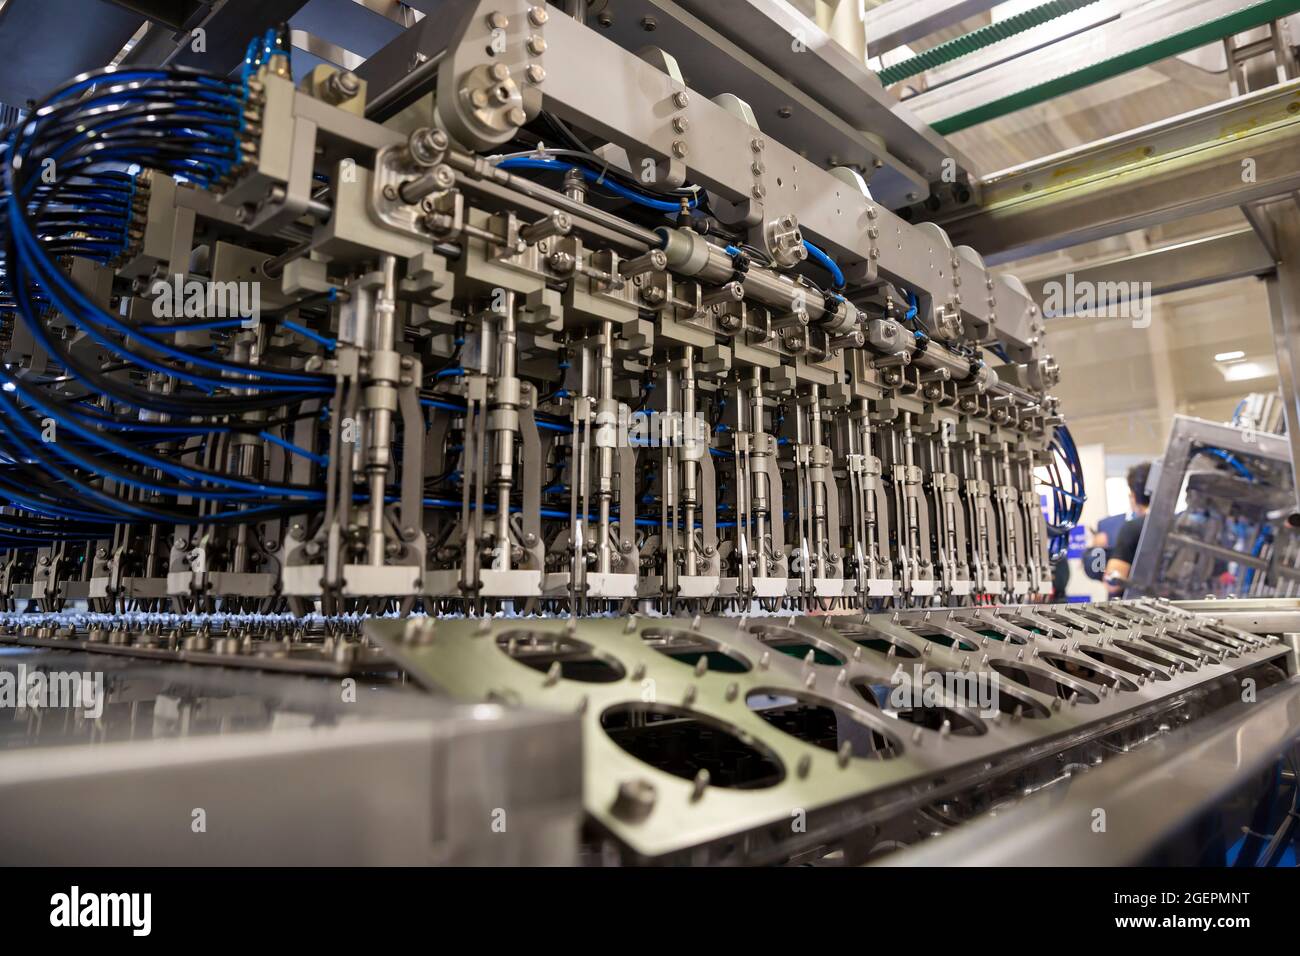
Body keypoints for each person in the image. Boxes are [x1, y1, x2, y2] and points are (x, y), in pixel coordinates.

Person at [1104, 462, 1151, 597]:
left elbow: (1113, 584)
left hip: (1141, 610)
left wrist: (1098, 560)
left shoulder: (1132, 528)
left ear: (1133, 496)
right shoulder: (1178, 525)